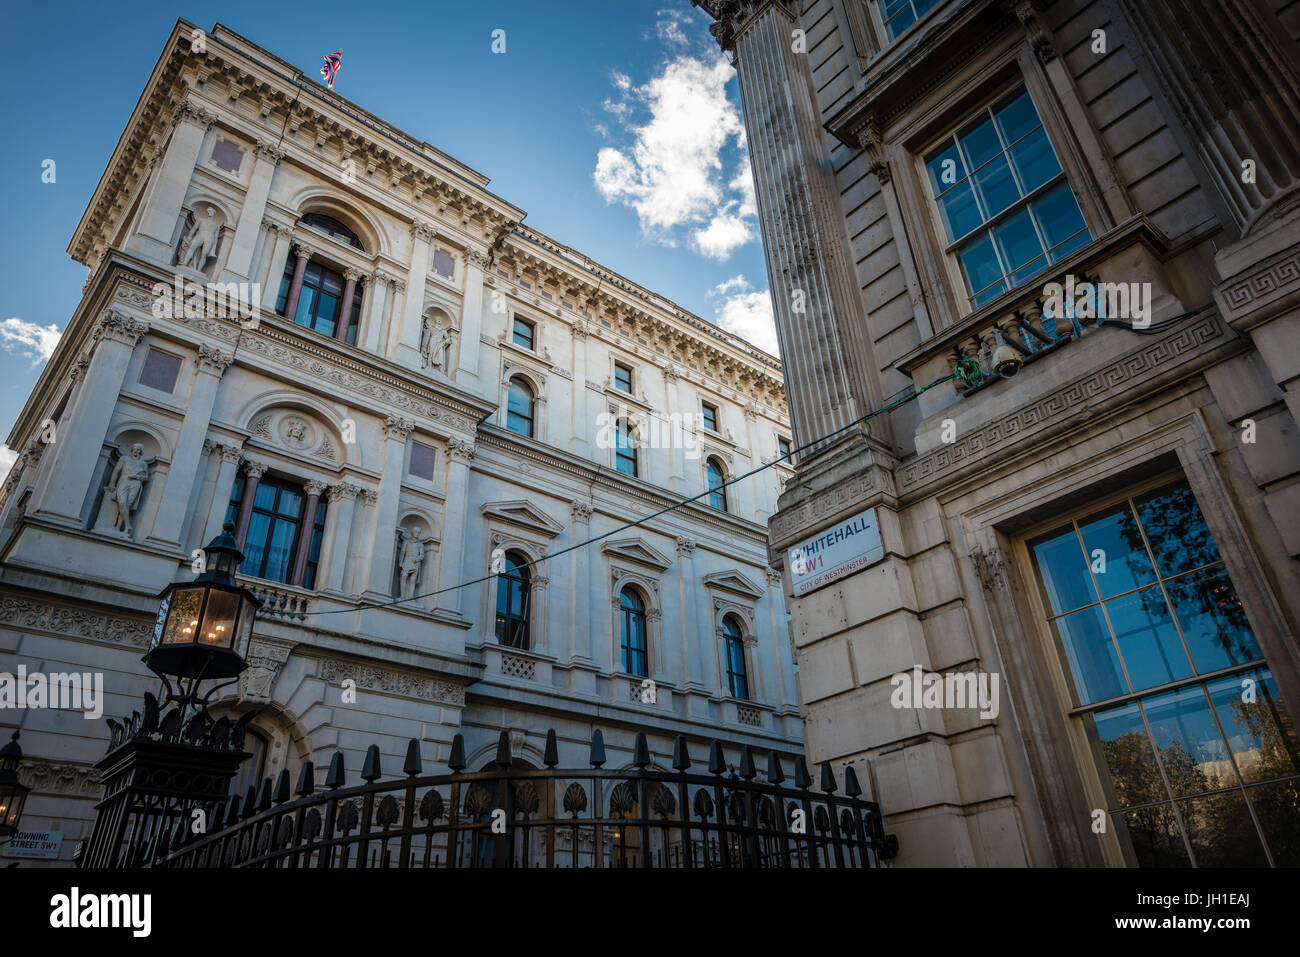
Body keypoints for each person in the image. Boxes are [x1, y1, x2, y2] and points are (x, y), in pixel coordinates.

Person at [106, 443, 150, 536]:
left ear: (141, 452)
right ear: (132, 449)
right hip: (124, 481)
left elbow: (146, 477)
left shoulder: (143, 463)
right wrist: (112, 483)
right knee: (122, 503)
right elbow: (116, 470)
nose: (136, 451)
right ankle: (128, 525)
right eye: (135, 449)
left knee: (128, 506)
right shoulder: (124, 459)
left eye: (138, 450)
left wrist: (137, 477)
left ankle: (118, 527)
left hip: (136, 484)